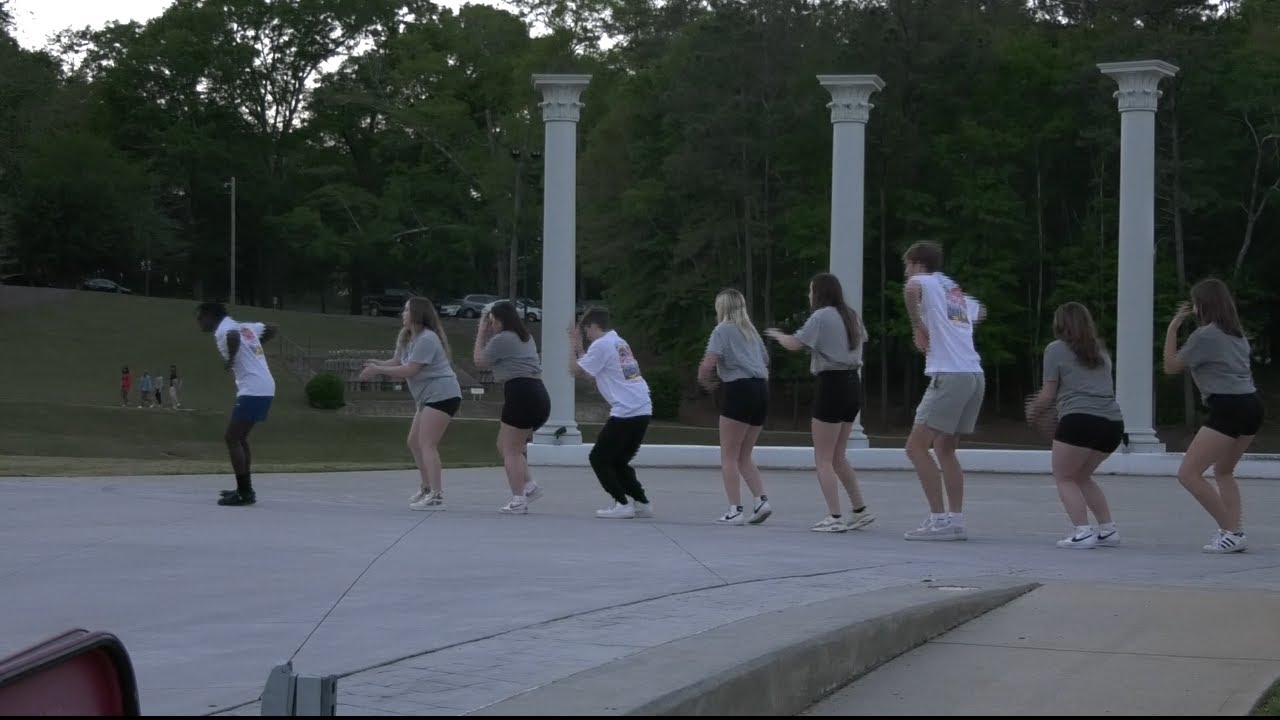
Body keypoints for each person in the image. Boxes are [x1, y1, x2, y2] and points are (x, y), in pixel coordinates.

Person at [1163, 278, 1263, 554]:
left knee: (1189, 474)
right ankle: (1231, 532)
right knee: (1223, 471)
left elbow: (1171, 366)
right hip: (1252, 404)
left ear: (1202, 304)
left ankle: (1232, 531)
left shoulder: (1205, 335)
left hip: (1229, 406)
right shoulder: (1237, 334)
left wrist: (1173, 327)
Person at [766, 273, 872, 533]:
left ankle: (834, 516)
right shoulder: (850, 315)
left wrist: (778, 335)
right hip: (852, 385)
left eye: (811, 290)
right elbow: (863, 340)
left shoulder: (822, 316)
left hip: (831, 385)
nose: (808, 294)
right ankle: (860, 510)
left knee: (823, 458)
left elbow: (794, 344)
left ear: (820, 293)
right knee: (838, 456)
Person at [900, 241, 986, 541]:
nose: (907, 272)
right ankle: (956, 520)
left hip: (949, 375)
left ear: (918, 264)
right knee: (945, 449)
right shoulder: (953, 289)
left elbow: (911, 290)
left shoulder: (924, 281)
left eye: (908, 265)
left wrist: (918, 327)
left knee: (915, 447)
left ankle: (939, 520)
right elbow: (981, 312)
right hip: (974, 374)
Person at [1024, 302, 1123, 549]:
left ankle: (1082, 531)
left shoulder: (1055, 349)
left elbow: (1048, 395)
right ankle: (1108, 530)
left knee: (1064, 477)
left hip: (1079, 419)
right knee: (1081, 476)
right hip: (1112, 424)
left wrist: (1033, 409)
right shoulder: (1101, 352)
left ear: (1059, 324)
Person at [361, 297, 462, 511]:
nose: (403, 314)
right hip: (427, 397)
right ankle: (426, 488)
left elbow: (409, 370)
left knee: (427, 443)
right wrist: (375, 364)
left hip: (443, 394)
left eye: (407, 310)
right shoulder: (407, 337)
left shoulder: (427, 339)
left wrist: (378, 371)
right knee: (414, 442)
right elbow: (397, 362)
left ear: (417, 313)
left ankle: (436, 495)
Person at [570, 307, 654, 519]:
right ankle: (642, 503)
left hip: (627, 411)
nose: (585, 334)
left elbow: (576, 371)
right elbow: (590, 372)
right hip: (642, 407)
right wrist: (580, 349)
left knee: (598, 458)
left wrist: (573, 346)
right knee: (618, 461)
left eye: (585, 329)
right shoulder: (618, 342)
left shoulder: (601, 345)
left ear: (593, 326)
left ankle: (622, 503)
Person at [698, 289, 773, 526]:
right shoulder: (751, 332)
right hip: (761, 390)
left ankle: (735, 510)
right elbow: (766, 360)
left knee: (728, 455)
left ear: (722, 307)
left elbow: (708, 362)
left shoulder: (722, 330)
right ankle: (761, 501)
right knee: (744, 454)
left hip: (739, 390)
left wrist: (705, 381)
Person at [196, 302, 278, 507]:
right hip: (261, 386)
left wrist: (231, 359)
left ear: (210, 316)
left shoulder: (224, 329)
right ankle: (245, 489)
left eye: (200, 318)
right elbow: (273, 327)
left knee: (231, 437)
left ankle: (245, 493)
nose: (199, 323)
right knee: (239, 438)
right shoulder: (244, 326)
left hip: (254, 388)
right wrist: (254, 348)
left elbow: (232, 337)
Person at [473, 300, 551, 514]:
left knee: (510, 449)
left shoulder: (504, 338)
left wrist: (481, 331)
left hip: (521, 393)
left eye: (492, 321)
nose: (491, 325)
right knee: (505, 445)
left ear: (499, 320)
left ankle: (518, 500)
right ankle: (530, 486)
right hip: (537, 393)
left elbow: (479, 361)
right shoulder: (525, 337)